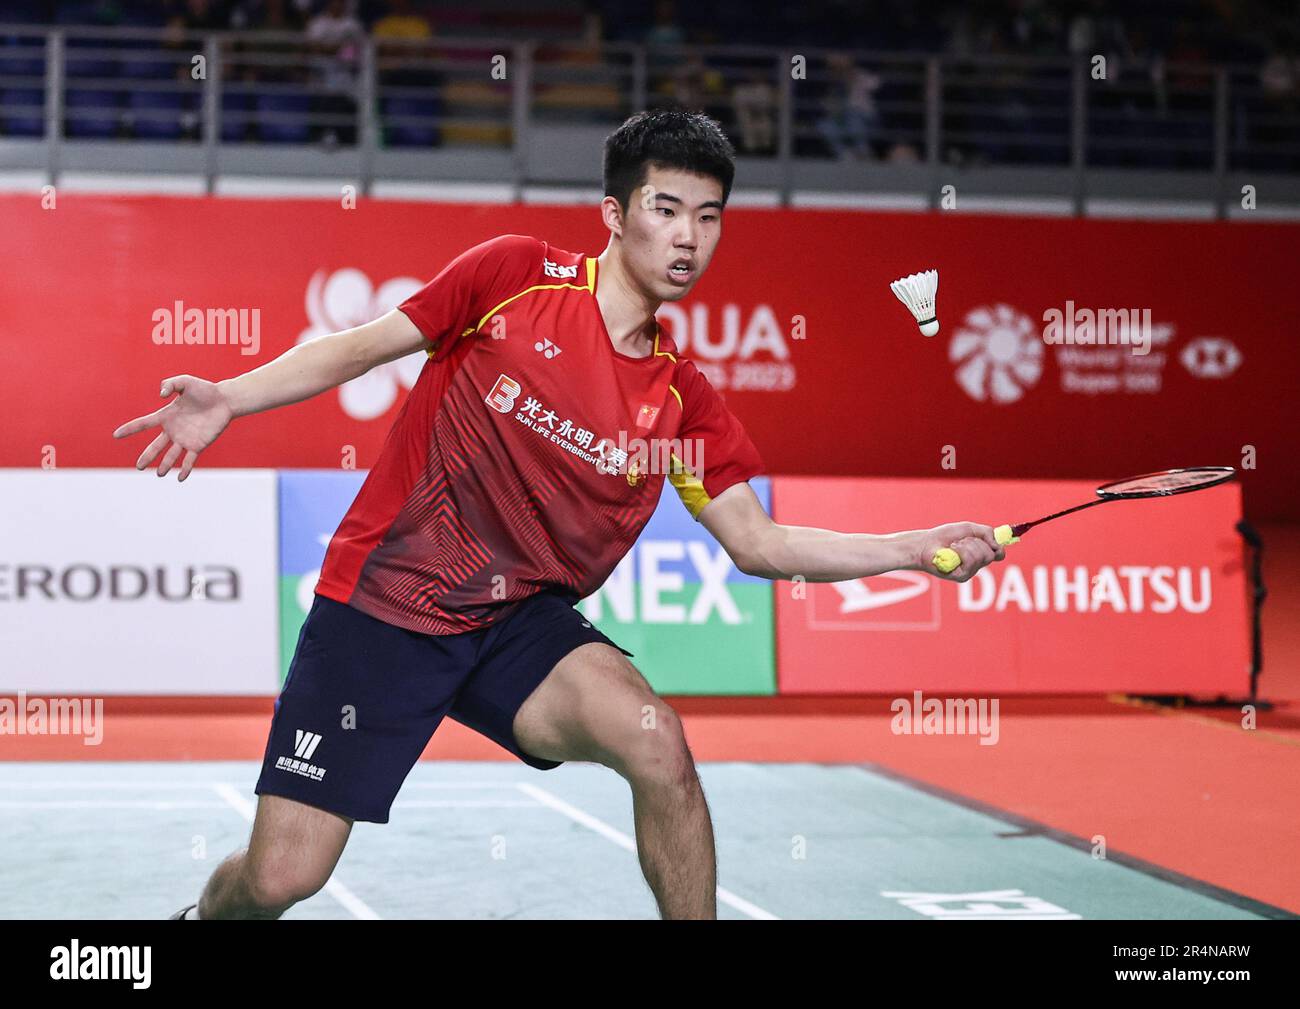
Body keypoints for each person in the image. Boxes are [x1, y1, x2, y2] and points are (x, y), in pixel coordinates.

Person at [113, 107, 1005, 920]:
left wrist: (911, 547)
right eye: (666, 208)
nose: (688, 236)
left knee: (658, 742)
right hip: (387, 603)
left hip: (515, 624)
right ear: (615, 215)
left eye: (709, 215)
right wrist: (229, 396)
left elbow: (759, 542)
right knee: (279, 879)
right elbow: (364, 344)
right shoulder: (514, 277)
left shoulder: (683, 401)